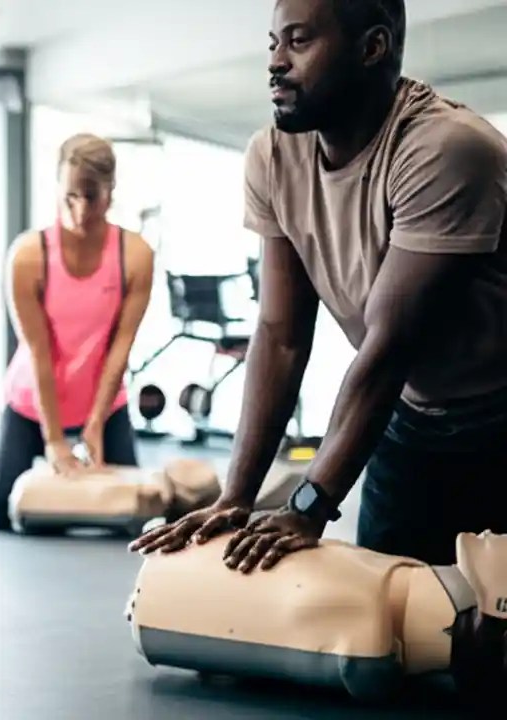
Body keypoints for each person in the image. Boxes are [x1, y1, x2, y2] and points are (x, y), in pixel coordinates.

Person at [131, 0, 507, 570]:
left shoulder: (447, 149)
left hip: (497, 420)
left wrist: (310, 505)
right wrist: (237, 497)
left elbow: (389, 346)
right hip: (409, 420)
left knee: (485, 638)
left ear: (372, 47)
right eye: (273, 43)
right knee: (388, 634)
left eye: (299, 41)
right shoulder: (273, 155)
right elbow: (281, 334)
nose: (276, 63)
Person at [0, 133, 154, 531]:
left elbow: (120, 347)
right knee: (0, 515)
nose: (79, 210)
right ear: (57, 188)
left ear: (110, 192)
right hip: (31, 402)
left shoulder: (135, 255)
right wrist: (54, 439)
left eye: (92, 197)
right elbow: (39, 351)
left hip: (104, 402)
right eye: (70, 196)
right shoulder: (28, 256)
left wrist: (94, 422)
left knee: (131, 514)